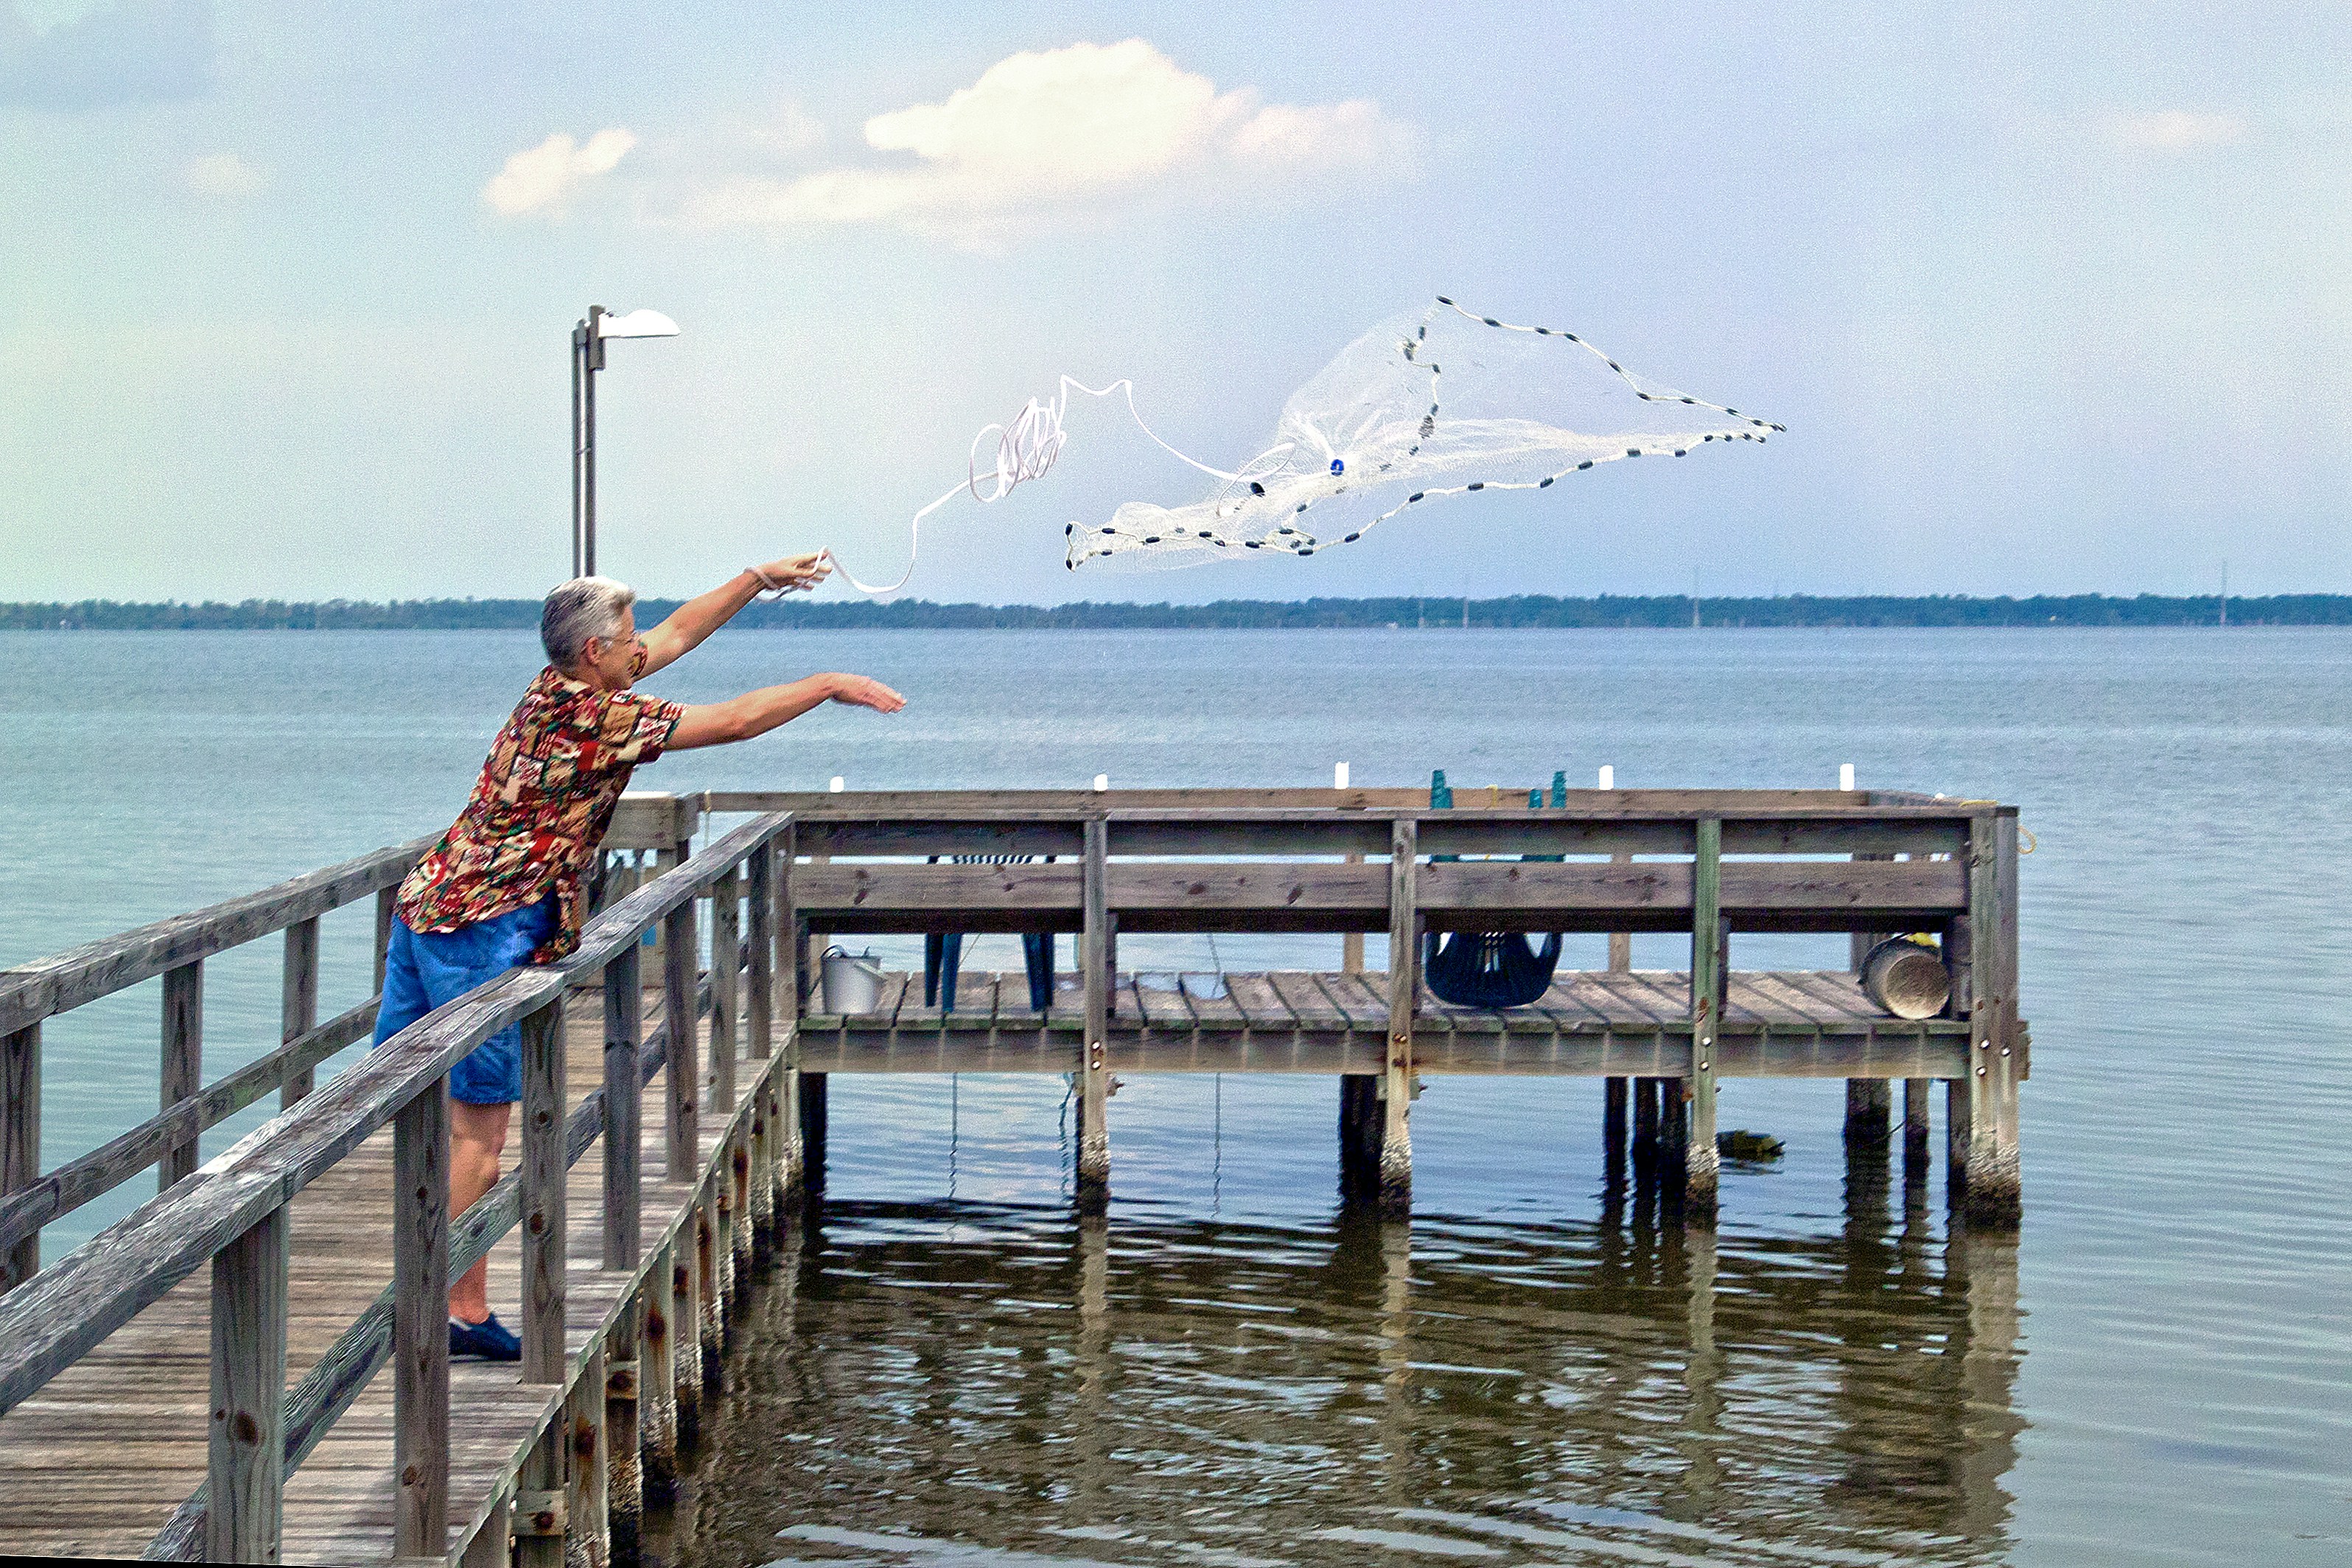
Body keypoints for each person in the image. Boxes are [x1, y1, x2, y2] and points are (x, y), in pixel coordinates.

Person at [373, 556, 903, 1359]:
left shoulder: (558, 688)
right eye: (626, 640)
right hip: (481, 923)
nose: (639, 648)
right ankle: (455, 1307)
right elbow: (729, 721)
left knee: (424, 1116)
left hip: (430, 904)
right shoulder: (594, 718)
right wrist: (826, 683)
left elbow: (679, 631)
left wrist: (756, 579)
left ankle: (434, 1291)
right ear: (595, 654)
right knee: (477, 1136)